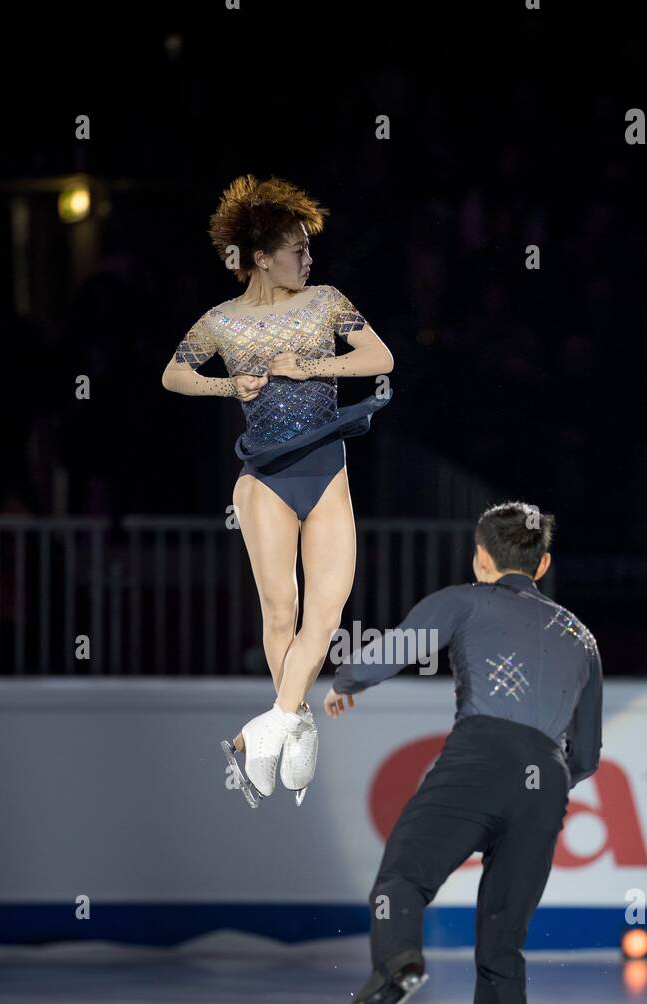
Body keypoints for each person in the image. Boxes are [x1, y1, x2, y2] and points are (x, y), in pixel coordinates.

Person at [324, 502, 602, 1004]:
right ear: (543, 566)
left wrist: (344, 681)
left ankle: (398, 962)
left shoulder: (466, 601)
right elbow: (587, 753)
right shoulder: (583, 639)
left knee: (403, 875)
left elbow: (397, 647)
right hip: (548, 781)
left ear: (481, 558)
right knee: (502, 956)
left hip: (478, 758)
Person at [162, 175, 394, 805]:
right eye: (298, 250)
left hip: (326, 470)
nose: (309, 260)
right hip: (264, 480)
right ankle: (289, 719)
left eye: (309, 250)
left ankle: (267, 730)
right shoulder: (223, 322)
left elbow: (380, 359)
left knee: (327, 613)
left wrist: (313, 365)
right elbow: (173, 374)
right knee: (279, 612)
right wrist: (224, 388)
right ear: (261, 257)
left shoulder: (325, 302)